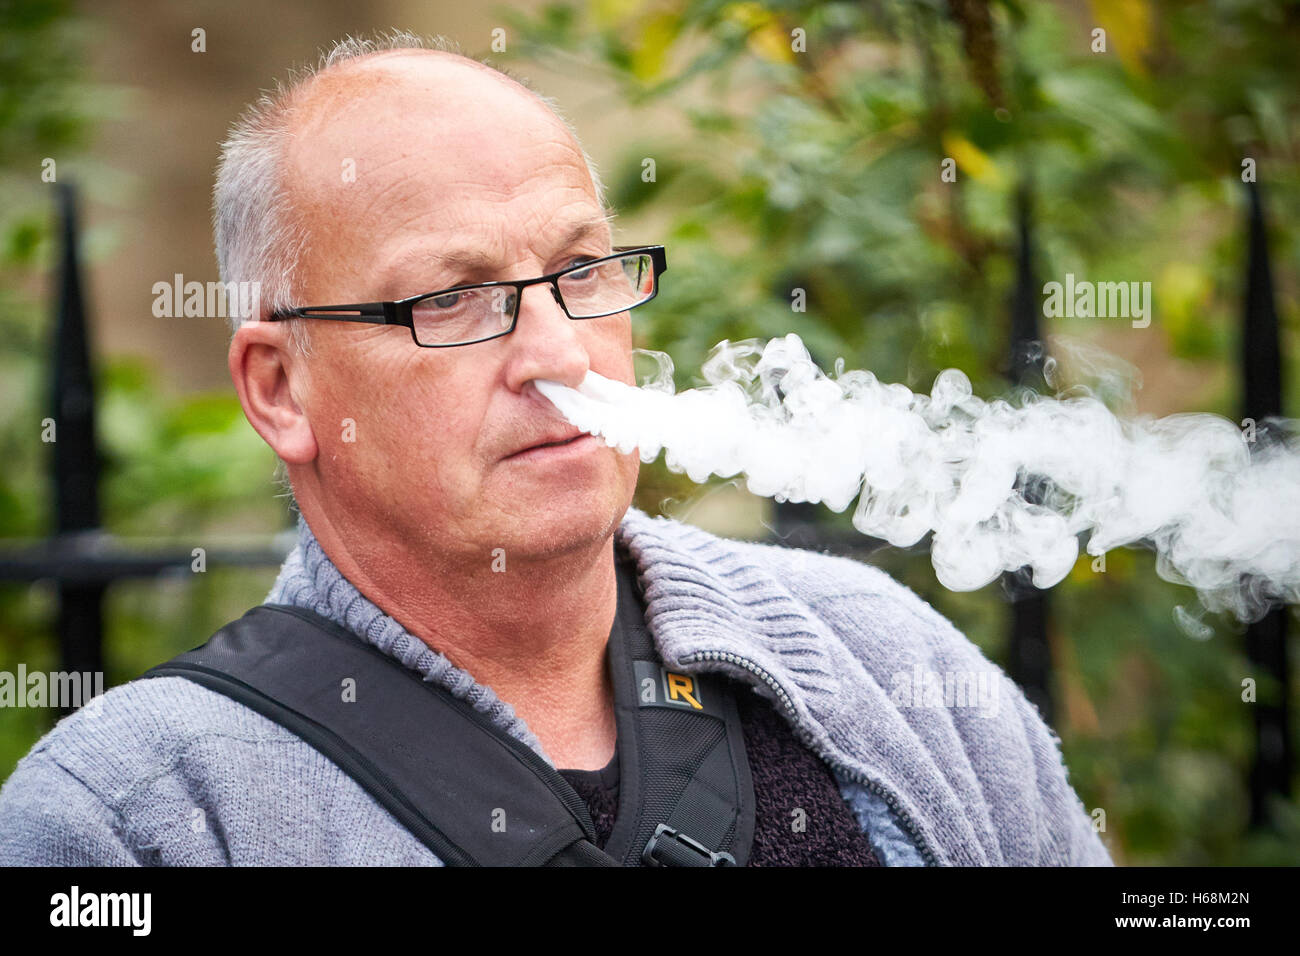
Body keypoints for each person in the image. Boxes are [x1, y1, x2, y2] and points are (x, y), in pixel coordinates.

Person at [0, 32, 1111, 866]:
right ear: (280, 388)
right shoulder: (132, 817)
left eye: (581, 273)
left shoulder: (878, 659)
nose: (557, 353)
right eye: (453, 297)